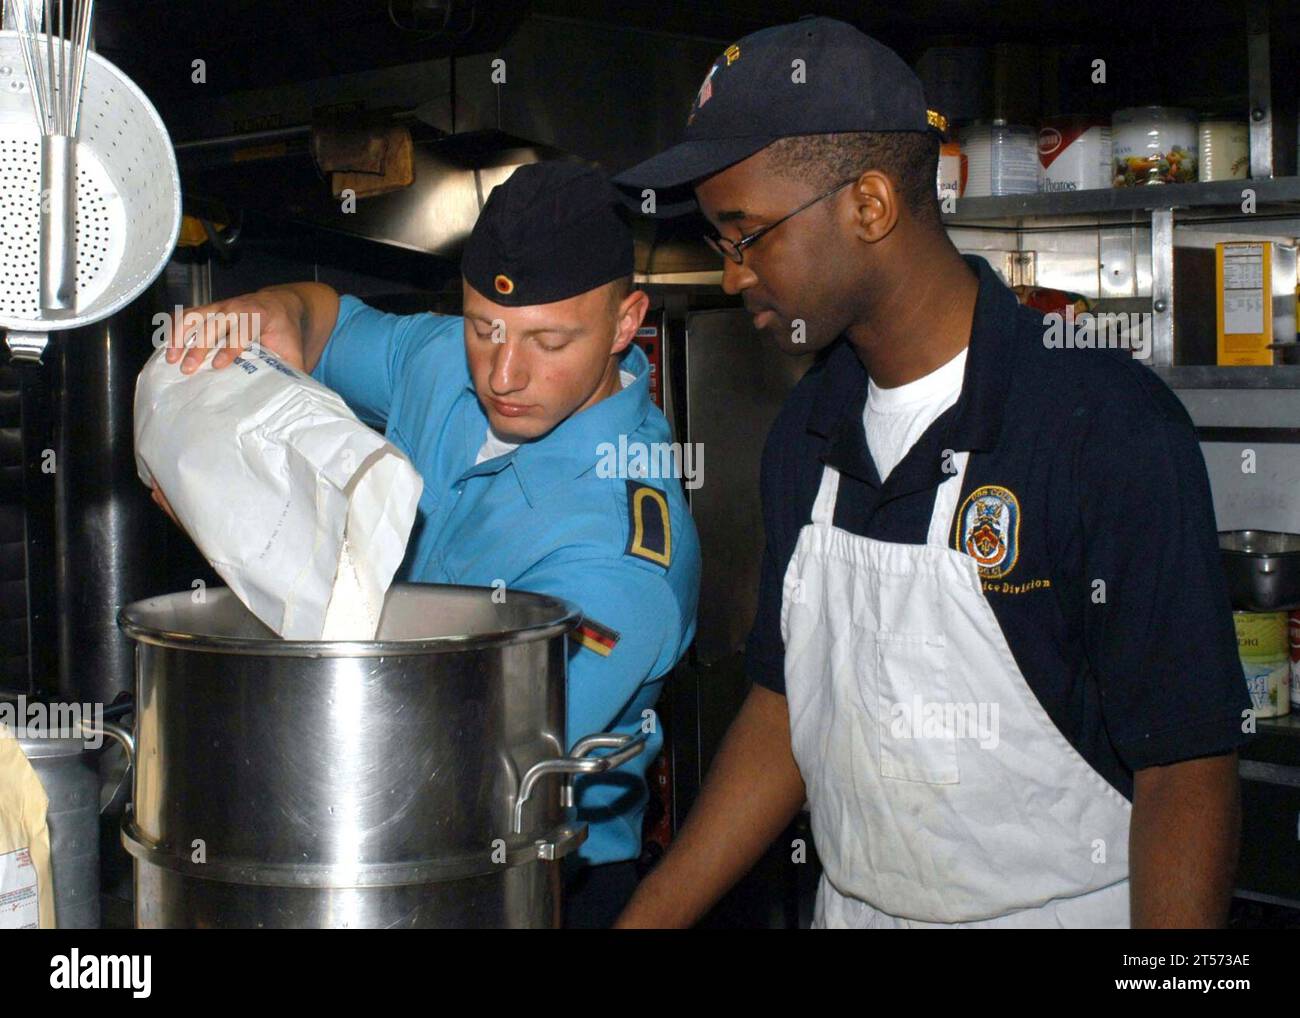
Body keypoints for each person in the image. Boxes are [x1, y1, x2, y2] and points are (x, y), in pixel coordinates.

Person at [611, 16, 1249, 929]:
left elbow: (1187, 767)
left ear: (869, 206)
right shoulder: (808, 430)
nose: (730, 277)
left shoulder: (1099, 426)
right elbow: (789, 705)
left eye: (743, 235)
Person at [155, 162, 701, 928]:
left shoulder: (618, 552)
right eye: (485, 327)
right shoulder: (447, 360)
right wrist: (273, 310)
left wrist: (235, 532)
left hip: (525, 879)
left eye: (549, 341)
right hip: (374, 838)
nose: (503, 374)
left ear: (622, 321)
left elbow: (451, 762)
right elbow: (331, 320)